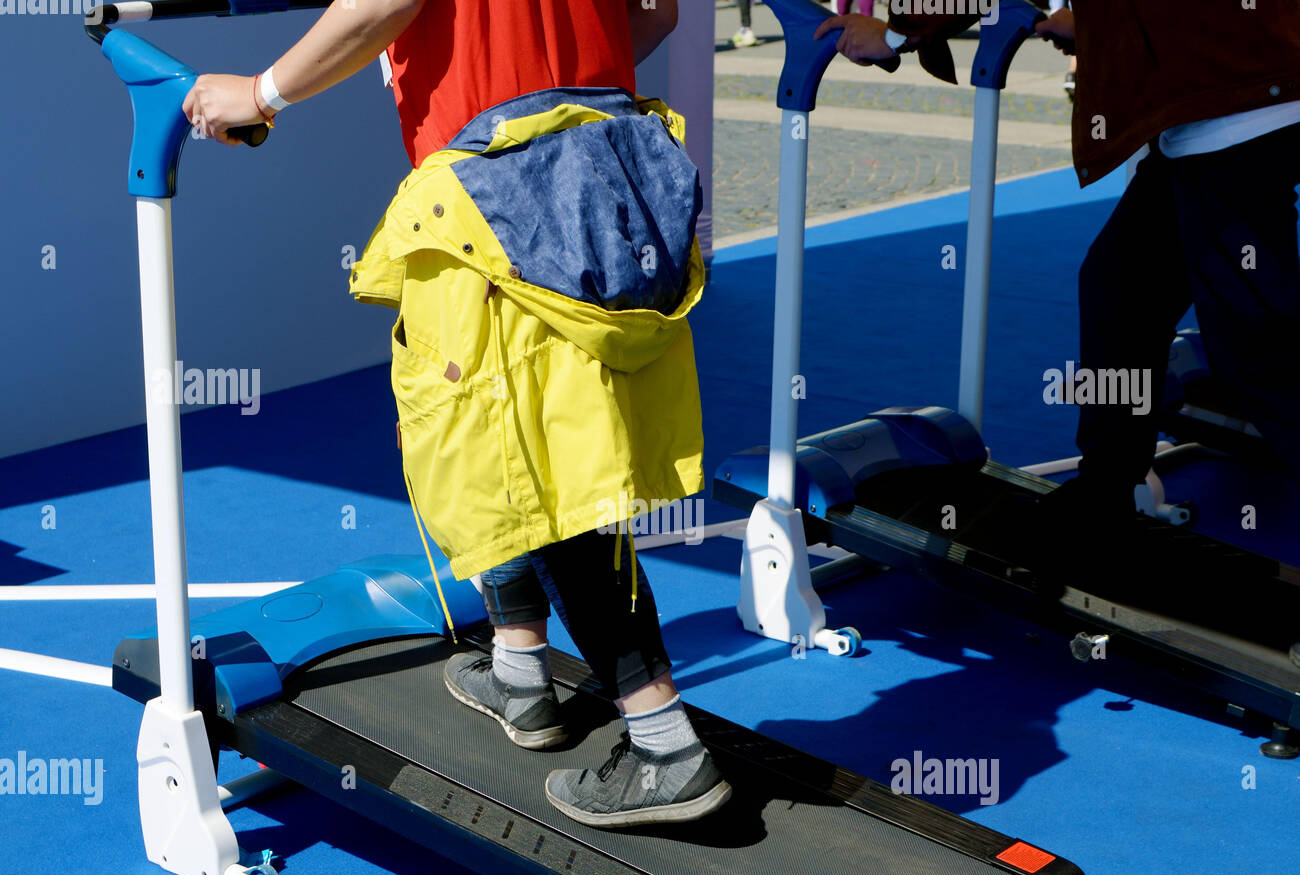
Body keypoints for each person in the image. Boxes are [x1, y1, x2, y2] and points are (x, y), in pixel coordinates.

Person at [182, 0, 732, 829]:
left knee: (533, 474)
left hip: (499, 193)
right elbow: (653, 13)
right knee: (514, 450)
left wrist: (261, 93)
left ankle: (665, 746)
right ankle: (520, 669)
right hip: (607, 171)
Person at [817, 2, 1300, 574]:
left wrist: (898, 32)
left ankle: (1102, 496)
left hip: (1234, 103)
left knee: (1256, 351)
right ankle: (1102, 500)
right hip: (1224, 93)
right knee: (1121, 290)